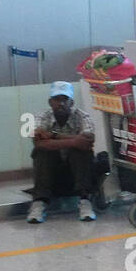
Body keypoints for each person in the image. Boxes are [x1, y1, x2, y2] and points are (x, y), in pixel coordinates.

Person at [27, 82, 97, 224]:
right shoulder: (41, 117)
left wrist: (53, 135)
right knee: (42, 151)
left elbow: (88, 141)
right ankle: (39, 202)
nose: (61, 103)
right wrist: (75, 140)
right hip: (51, 174)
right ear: (50, 102)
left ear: (72, 102)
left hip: (76, 174)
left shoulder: (82, 116)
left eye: (65, 100)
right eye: (57, 99)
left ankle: (84, 201)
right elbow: (38, 142)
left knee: (81, 152)